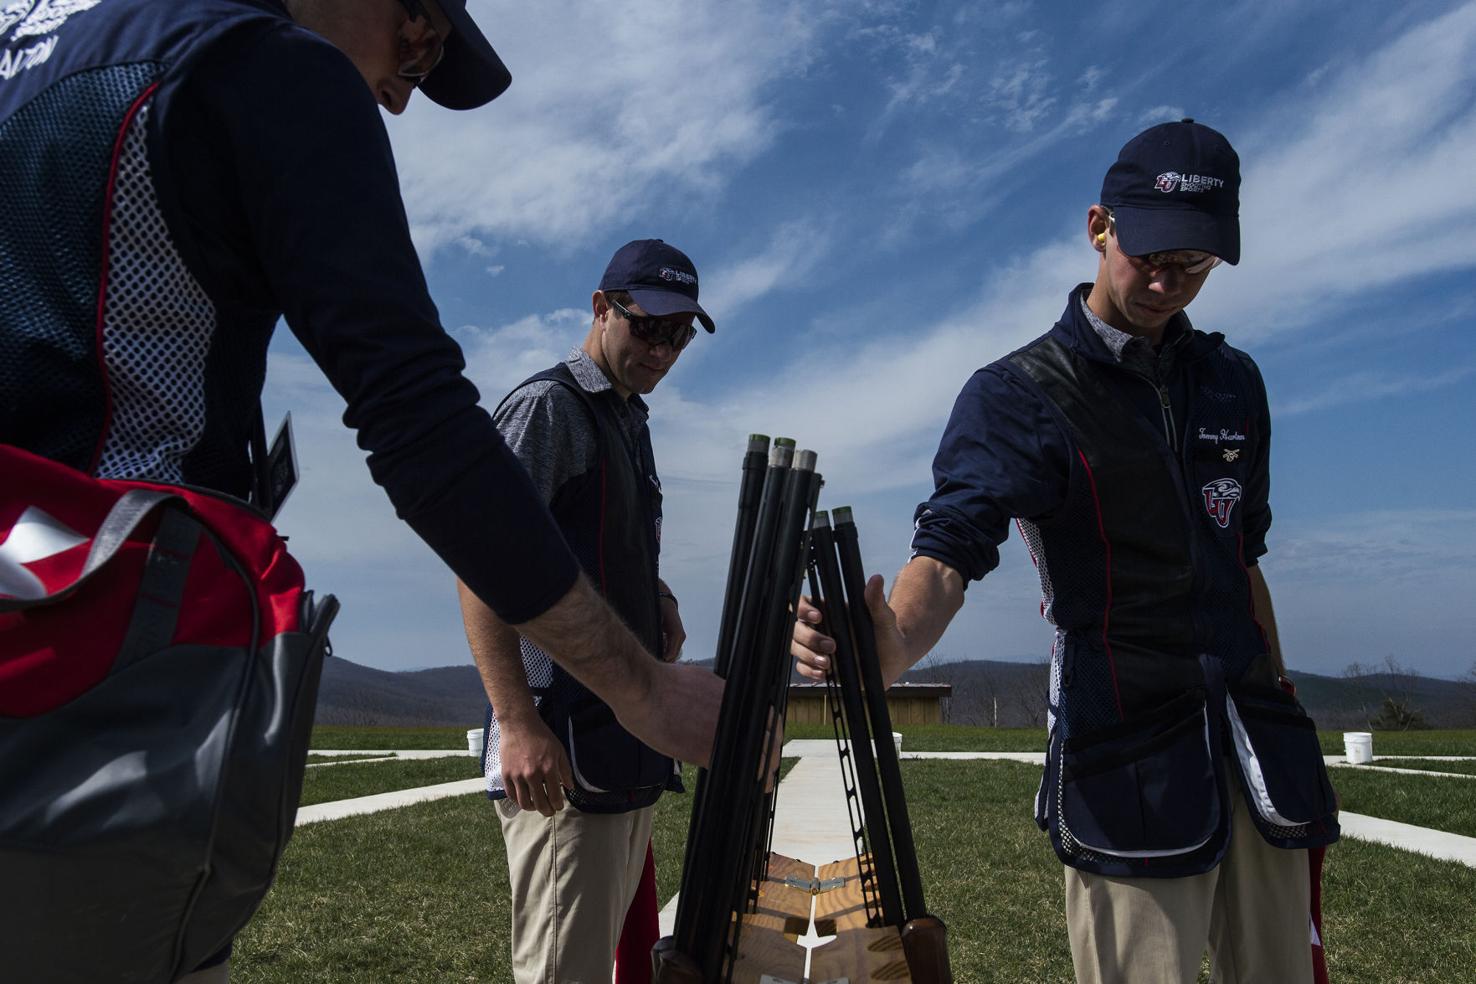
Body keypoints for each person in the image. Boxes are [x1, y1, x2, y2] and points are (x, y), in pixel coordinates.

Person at [0, 2, 719, 980]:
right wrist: (642, 694)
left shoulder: (49, 42)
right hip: (82, 666)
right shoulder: (260, 62)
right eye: (418, 33)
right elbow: (417, 419)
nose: (400, 89)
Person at [791, 120, 1339, 983]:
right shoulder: (1017, 393)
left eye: (1193, 266)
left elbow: (1245, 555)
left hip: (1256, 744)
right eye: (1150, 254)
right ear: (1100, 227)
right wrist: (890, 642)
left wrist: (1279, 689)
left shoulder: (1235, 381)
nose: (1166, 282)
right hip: (1128, 757)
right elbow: (949, 551)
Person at [458, 238, 713, 984]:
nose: (663, 350)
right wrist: (517, 723)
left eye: (679, 335)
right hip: (560, 756)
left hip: (619, 749)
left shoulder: (628, 418)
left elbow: (587, 553)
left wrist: (653, 593)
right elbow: (481, 566)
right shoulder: (549, 408)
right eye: (649, 327)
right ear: (602, 310)